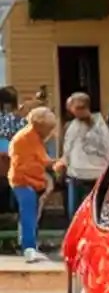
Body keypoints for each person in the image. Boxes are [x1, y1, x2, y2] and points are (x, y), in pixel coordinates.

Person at [8, 108, 64, 262]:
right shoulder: (28, 138)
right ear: (40, 125)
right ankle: (29, 248)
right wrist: (60, 161)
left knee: (30, 214)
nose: (50, 132)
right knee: (29, 215)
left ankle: (29, 246)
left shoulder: (33, 136)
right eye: (49, 128)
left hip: (29, 180)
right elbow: (44, 161)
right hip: (24, 180)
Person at [60, 92, 109, 217]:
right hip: (88, 173)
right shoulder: (97, 125)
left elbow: (67, 149)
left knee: (78, 213)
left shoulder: (97, 126)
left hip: (84, 174)